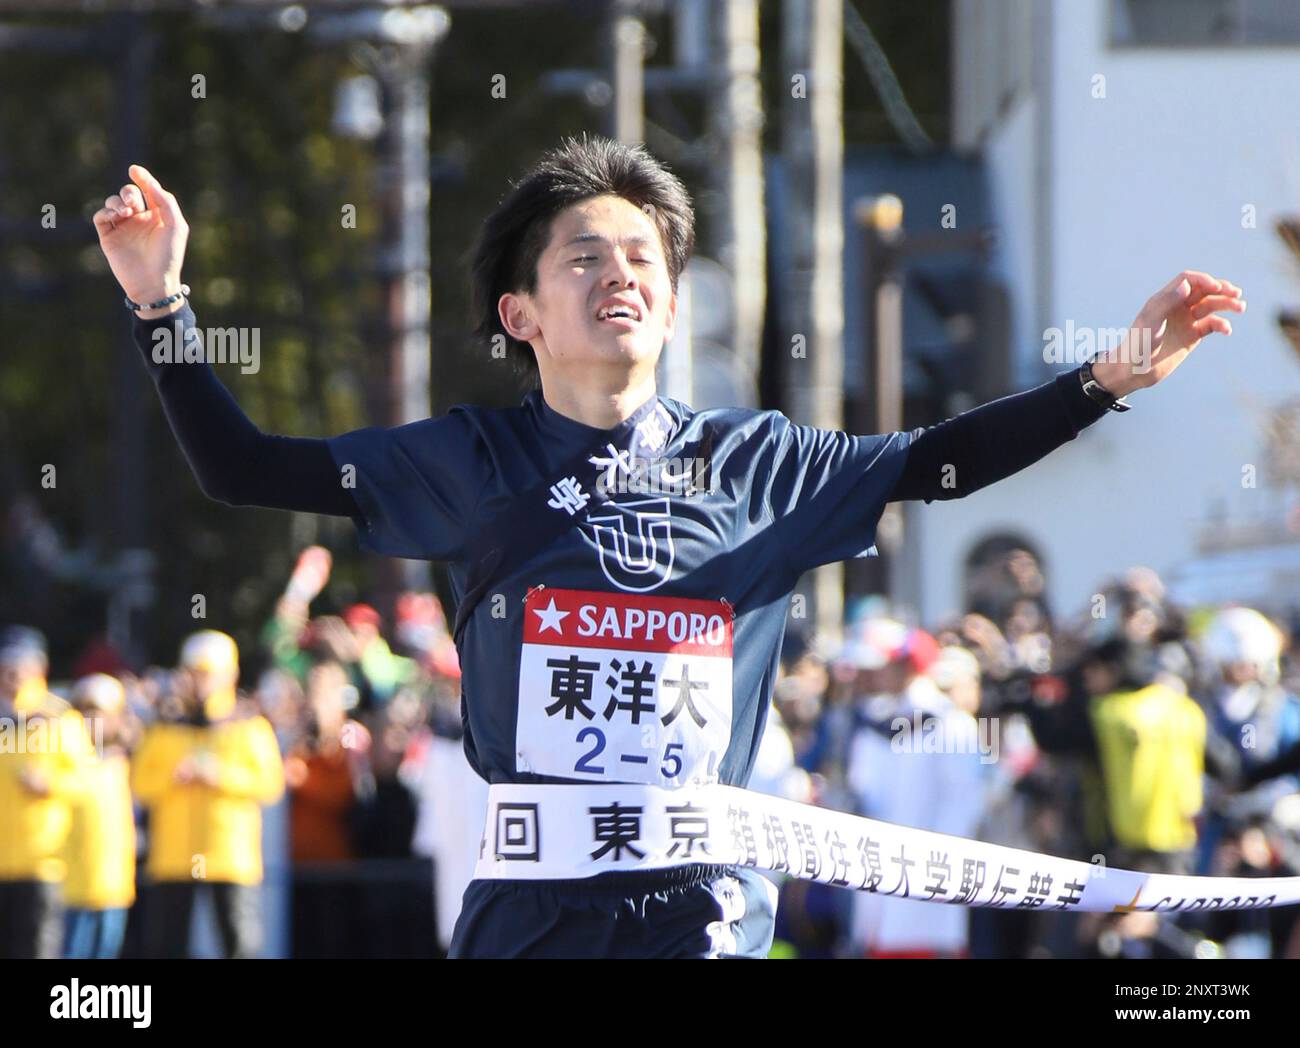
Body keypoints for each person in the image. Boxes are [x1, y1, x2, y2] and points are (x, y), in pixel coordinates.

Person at [94, 134, 1246, 958]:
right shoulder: (467, 461)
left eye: (643, 258)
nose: (621, 277)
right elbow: (243, 468)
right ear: (522, 314)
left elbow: (934, 461)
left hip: (703, 911)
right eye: (585, 258)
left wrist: (1100, 383)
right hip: (532, 913)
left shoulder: (760, 464)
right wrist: (164, 305)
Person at [131, 630, 285, 958]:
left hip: (229, 854)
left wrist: (220, 777)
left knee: (238, 942)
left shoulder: (248, 726)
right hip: (173, 856)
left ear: (229, 674)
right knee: (166, 943)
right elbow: (141, 785)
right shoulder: (165, 727)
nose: (201, 682)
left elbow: (269, 785)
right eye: (194, 673)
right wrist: (174, 779)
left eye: (208, 674)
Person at [0, 627, 93, 959]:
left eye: (19, 666)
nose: (11, 675)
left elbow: (86, 782)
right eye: (6, 665)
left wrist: (49, 785)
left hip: (42, 864)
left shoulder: (60, 719)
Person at [63, 673, 138, 959]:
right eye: (84, 710)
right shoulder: (61, 759)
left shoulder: (124, 762)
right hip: (71, 889)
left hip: (114, 887)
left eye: (98, 711)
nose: (90, 719)